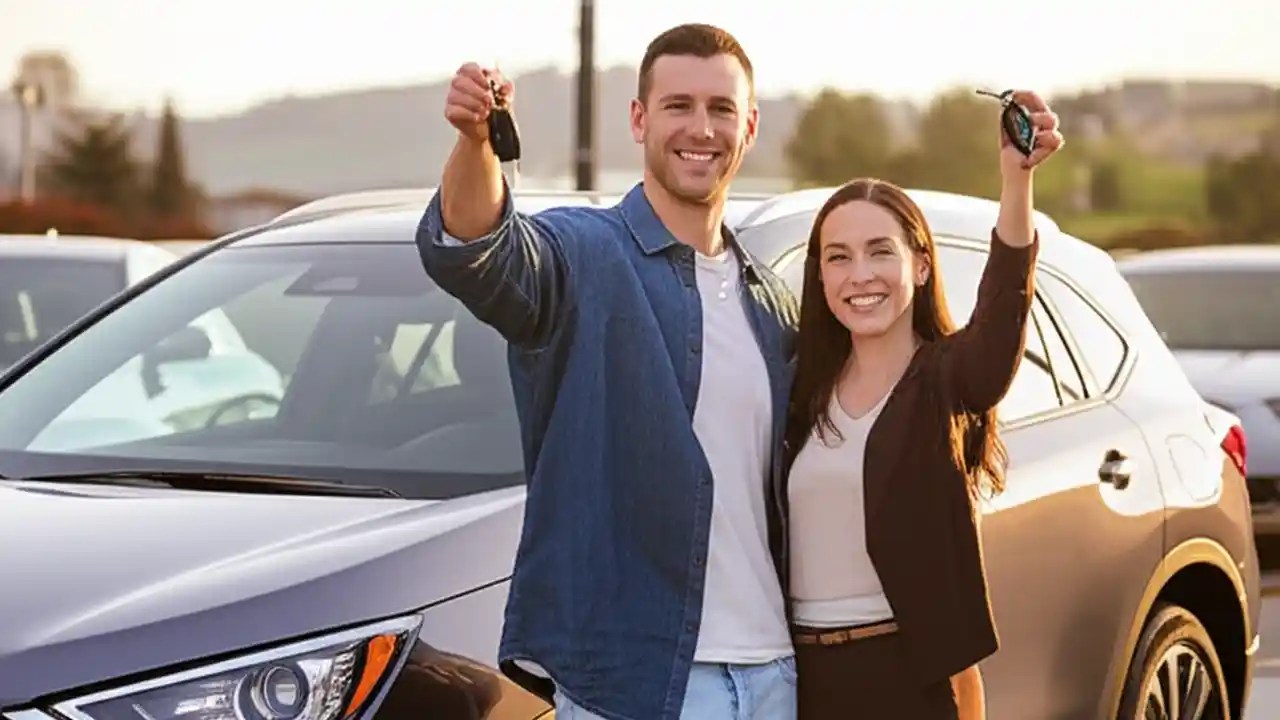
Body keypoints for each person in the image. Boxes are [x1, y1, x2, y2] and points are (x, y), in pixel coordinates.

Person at [415, 23, 800, 720]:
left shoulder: (772, 302)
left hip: (774, 676)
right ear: (639, 119)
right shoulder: (585, 253)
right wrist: (476, 143)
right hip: (636, 685)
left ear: (748, 126)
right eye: (678, 105)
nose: (701, 128)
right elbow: (479, 251)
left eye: (720, 108)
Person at [780, 92, 1064, 719]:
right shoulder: (800, 391)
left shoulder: (946, 379)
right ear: (821, 277)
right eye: (838, 257)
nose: (860, 274)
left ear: (921, 266)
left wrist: (1016, 182)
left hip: (908, 682)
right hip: (797, 681)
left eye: (881, 251)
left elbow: (1000, 314)